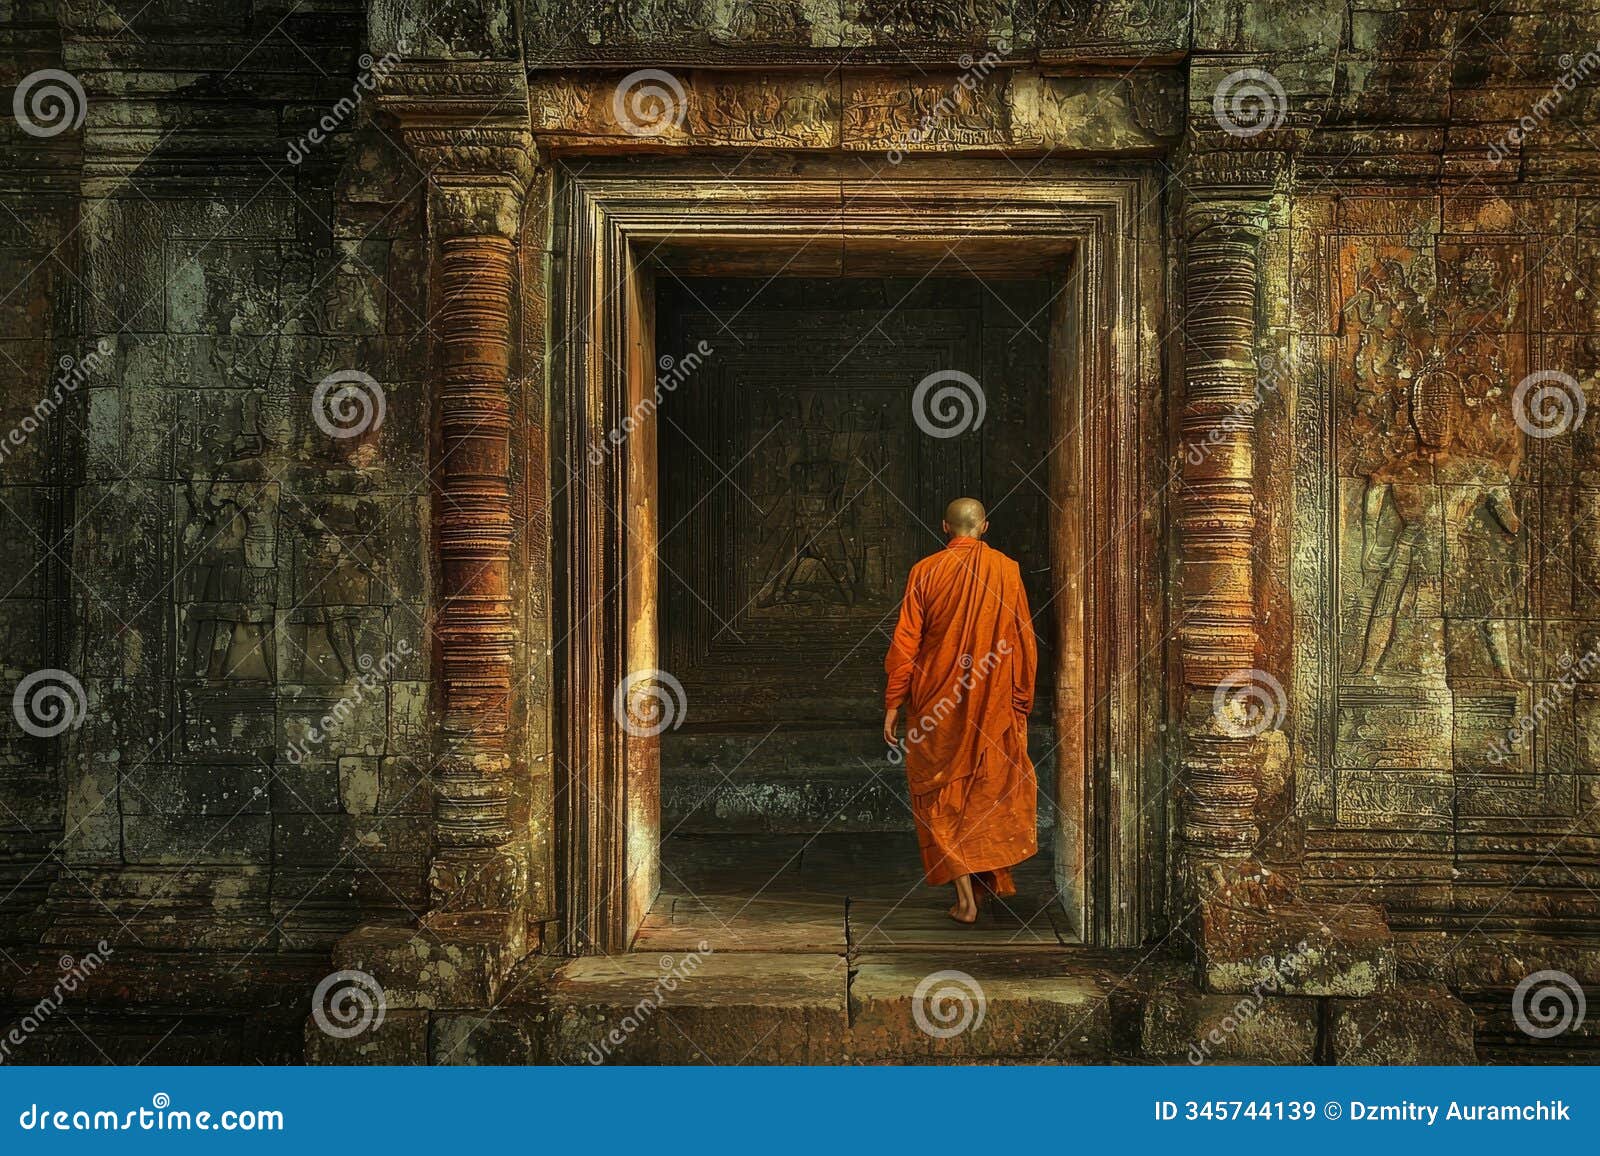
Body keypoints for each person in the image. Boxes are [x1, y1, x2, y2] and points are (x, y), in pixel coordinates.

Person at [883, 497, 1038, 924]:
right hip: (992, 701)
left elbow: (905, 643)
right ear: (984, 527)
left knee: (941, 794)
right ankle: (976, 893)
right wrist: (1021, 698)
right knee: (982, 789)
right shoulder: (1007, 570)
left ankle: (967, 897)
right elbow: (1024, 638)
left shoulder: (925, 571)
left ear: (944, 527)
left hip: (937, 704)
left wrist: (894, 701)